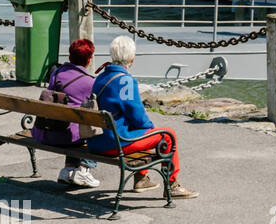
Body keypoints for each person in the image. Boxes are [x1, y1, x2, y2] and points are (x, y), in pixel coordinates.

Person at [86, 36, 197, 199]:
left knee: (141, 131)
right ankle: (172, 185)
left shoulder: (101, 77)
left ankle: (141, 178)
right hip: (115, 142)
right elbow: (138, 117)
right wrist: (151, 129)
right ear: (132, 58)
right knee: (168, 135)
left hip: (97, 141)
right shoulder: (125, 81)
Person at [31, 38, 100, 188]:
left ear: (69, 56)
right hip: (66, 136)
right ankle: (83, 168)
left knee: (72, 121)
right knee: (93, 129)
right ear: (89, 59)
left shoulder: (56, 73)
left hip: (45, 132)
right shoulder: (89, 82)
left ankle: (68, 168)